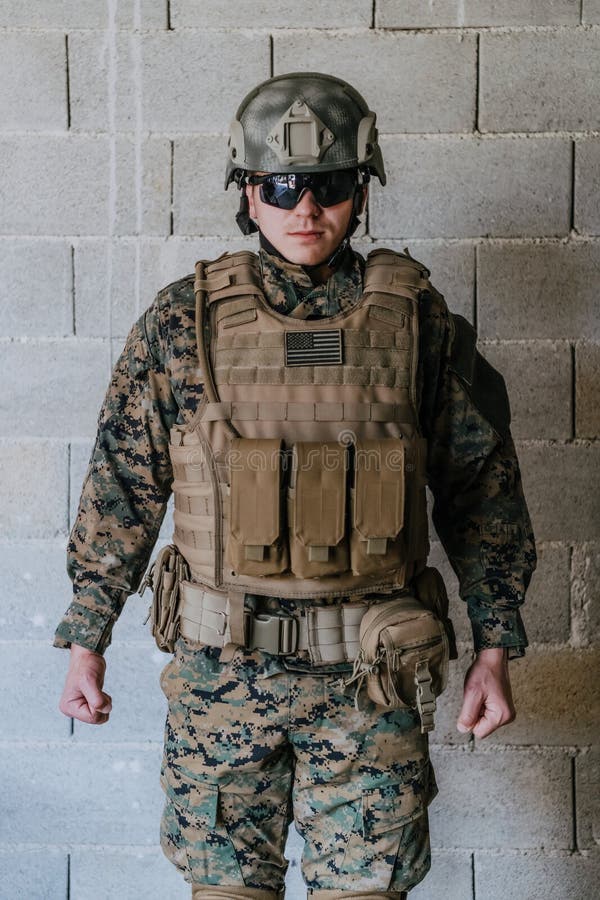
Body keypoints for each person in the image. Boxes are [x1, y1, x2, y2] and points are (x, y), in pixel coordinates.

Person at [56, 72, 536, 899]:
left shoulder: (419, 323)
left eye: (330, 184)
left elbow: (481, 489)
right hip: (222, 675)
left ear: (362, 189)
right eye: (281, 186)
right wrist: (86, 639)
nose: (305, 208)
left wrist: (495, 648)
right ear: (247, 191)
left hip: (370, 678)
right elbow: (121, 486)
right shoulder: (182, 322)